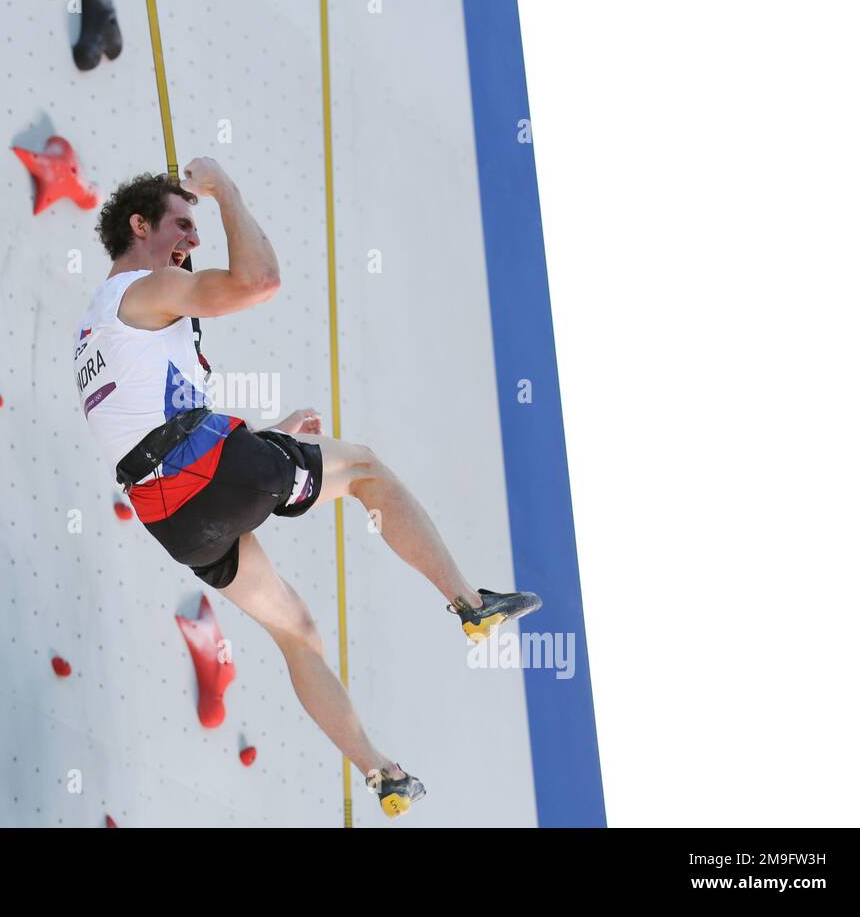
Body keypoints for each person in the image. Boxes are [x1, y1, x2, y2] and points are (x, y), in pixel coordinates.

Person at [72, 157, 541, 818]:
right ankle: (469, 603)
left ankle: (383, 775)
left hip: (175, 519)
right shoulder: (145, 291)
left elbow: (161, 431)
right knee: (368, 470)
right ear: (138, 225)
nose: (193, 239)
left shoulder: (95, 330)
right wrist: (226, 188)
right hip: (215, 473)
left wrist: (271, 440)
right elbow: (259, 281)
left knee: (297, 631)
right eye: (182, 224)